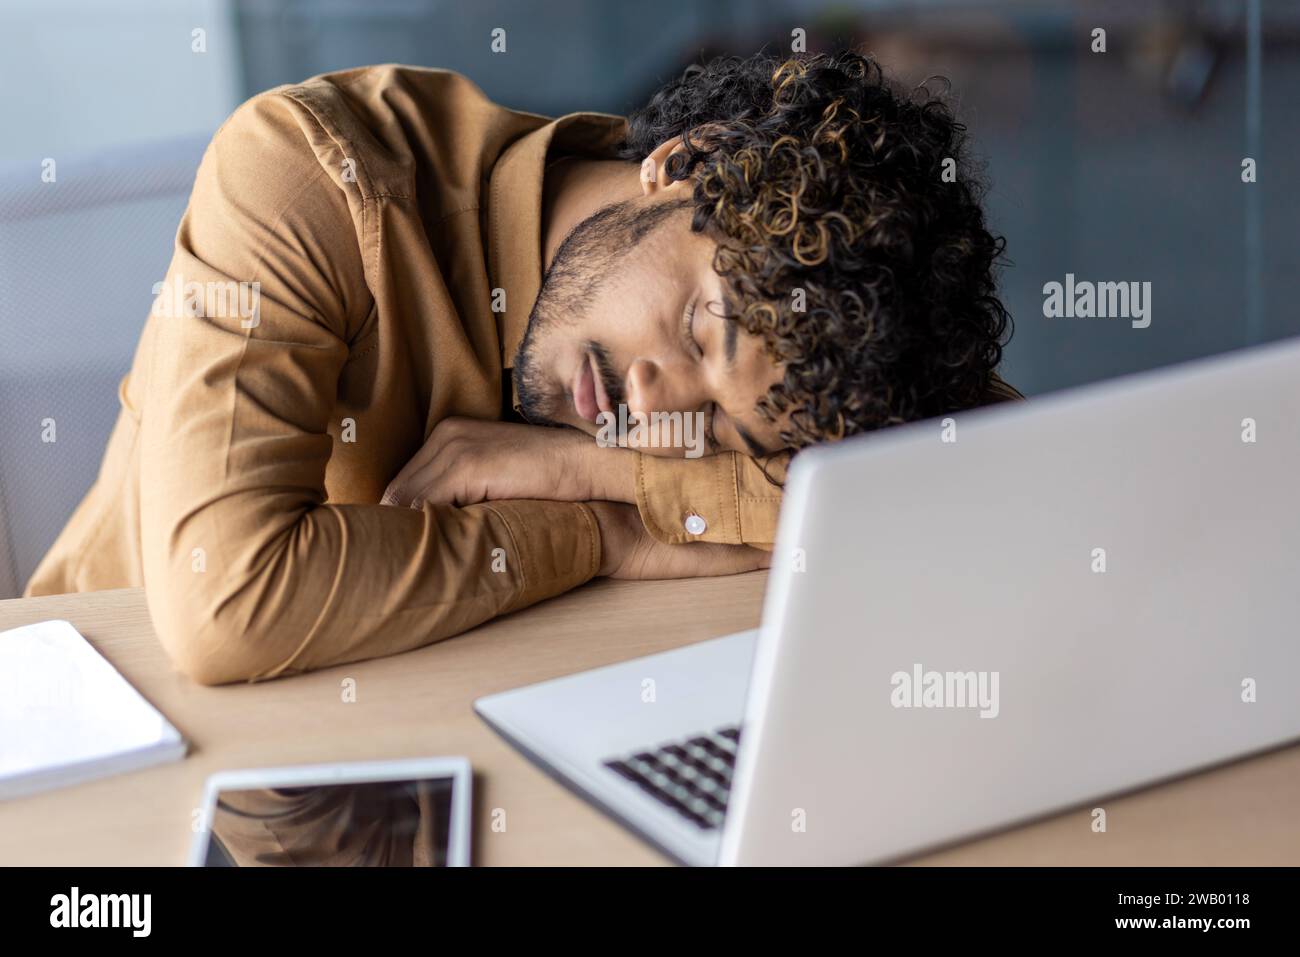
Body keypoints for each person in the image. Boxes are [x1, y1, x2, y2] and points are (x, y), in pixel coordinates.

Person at [26, 51, 1019, 684]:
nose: (653, 409)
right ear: (686, 163)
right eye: (697, 328)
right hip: (113, 732)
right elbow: (225, 604)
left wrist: (596, 468)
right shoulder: (306, 176)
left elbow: (985, 478)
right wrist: (596, 534)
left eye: (718, 430)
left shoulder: (779, 351)